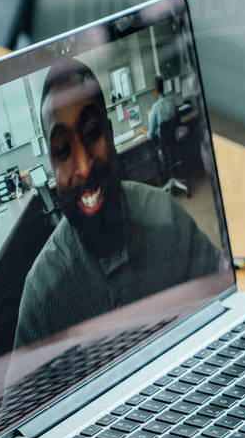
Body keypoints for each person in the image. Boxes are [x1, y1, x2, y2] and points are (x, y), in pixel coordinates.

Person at [14, 58, 223, 348]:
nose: (84, 167)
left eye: (92, 133)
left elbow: (225, 305)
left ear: (110, 133)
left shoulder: (169, 218)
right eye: (62, 149)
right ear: (51, 165)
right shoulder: (42, 294)